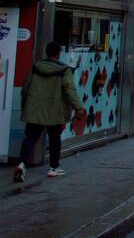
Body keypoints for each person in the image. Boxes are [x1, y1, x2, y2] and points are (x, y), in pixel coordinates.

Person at [14, 42, 85, 182]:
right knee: (54, 139)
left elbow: (25, 89)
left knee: (30, 138)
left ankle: (22, 164)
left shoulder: (35, 68)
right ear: (58, 53)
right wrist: (79, 108)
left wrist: (25, 107)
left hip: (35, 110)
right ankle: (54, 168)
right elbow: (69, 90)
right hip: (54, 111)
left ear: (46, 52)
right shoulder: (65, 70)